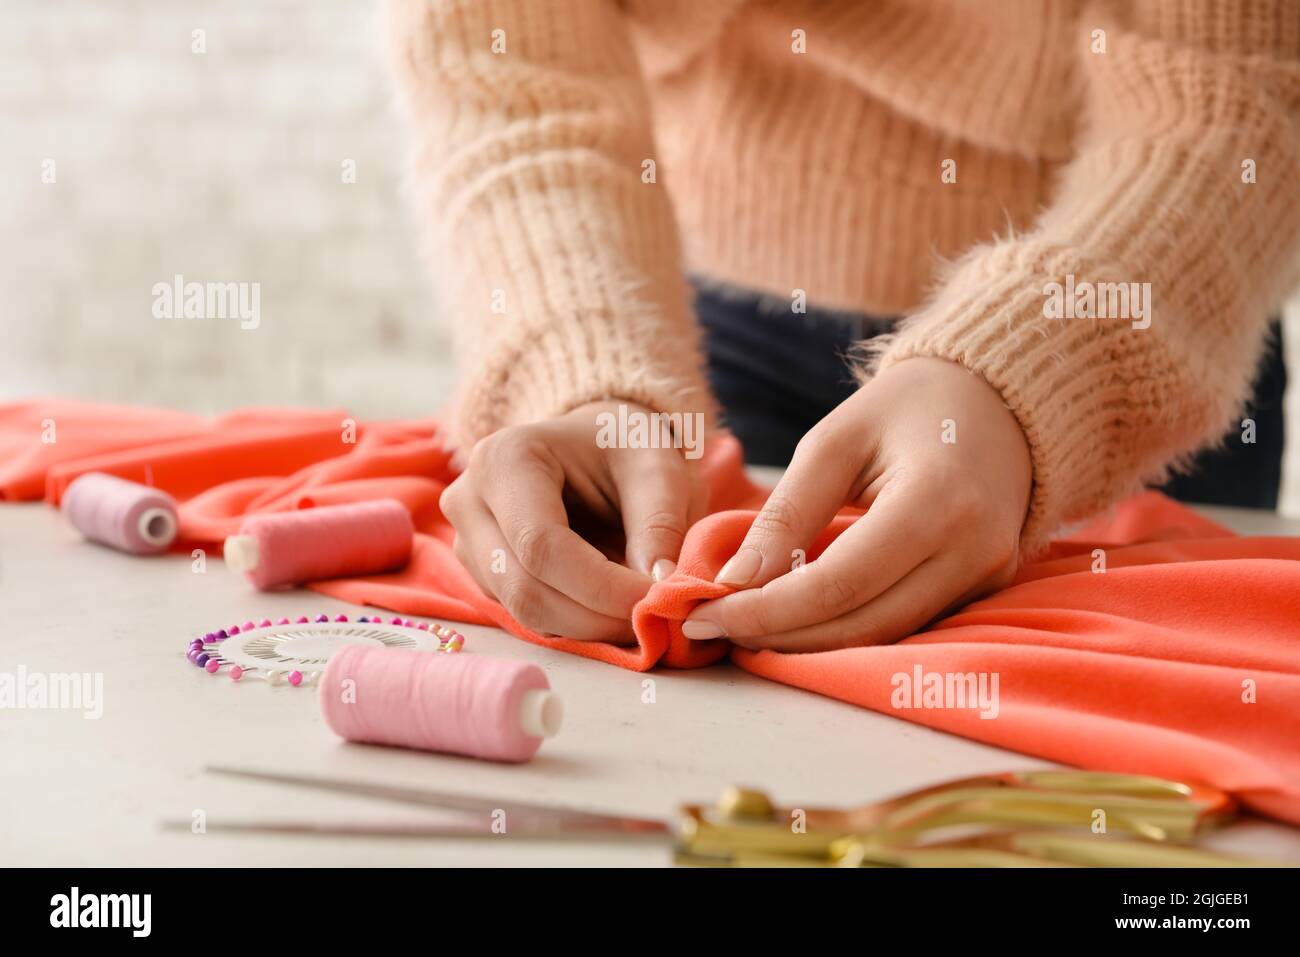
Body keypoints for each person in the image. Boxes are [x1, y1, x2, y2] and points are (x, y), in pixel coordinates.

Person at [386, 0, 1299, 651]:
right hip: (694, 326)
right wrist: (577, 366)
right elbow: (505, 60)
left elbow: (1238, 95)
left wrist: (1030, 373)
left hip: (1128, 353)